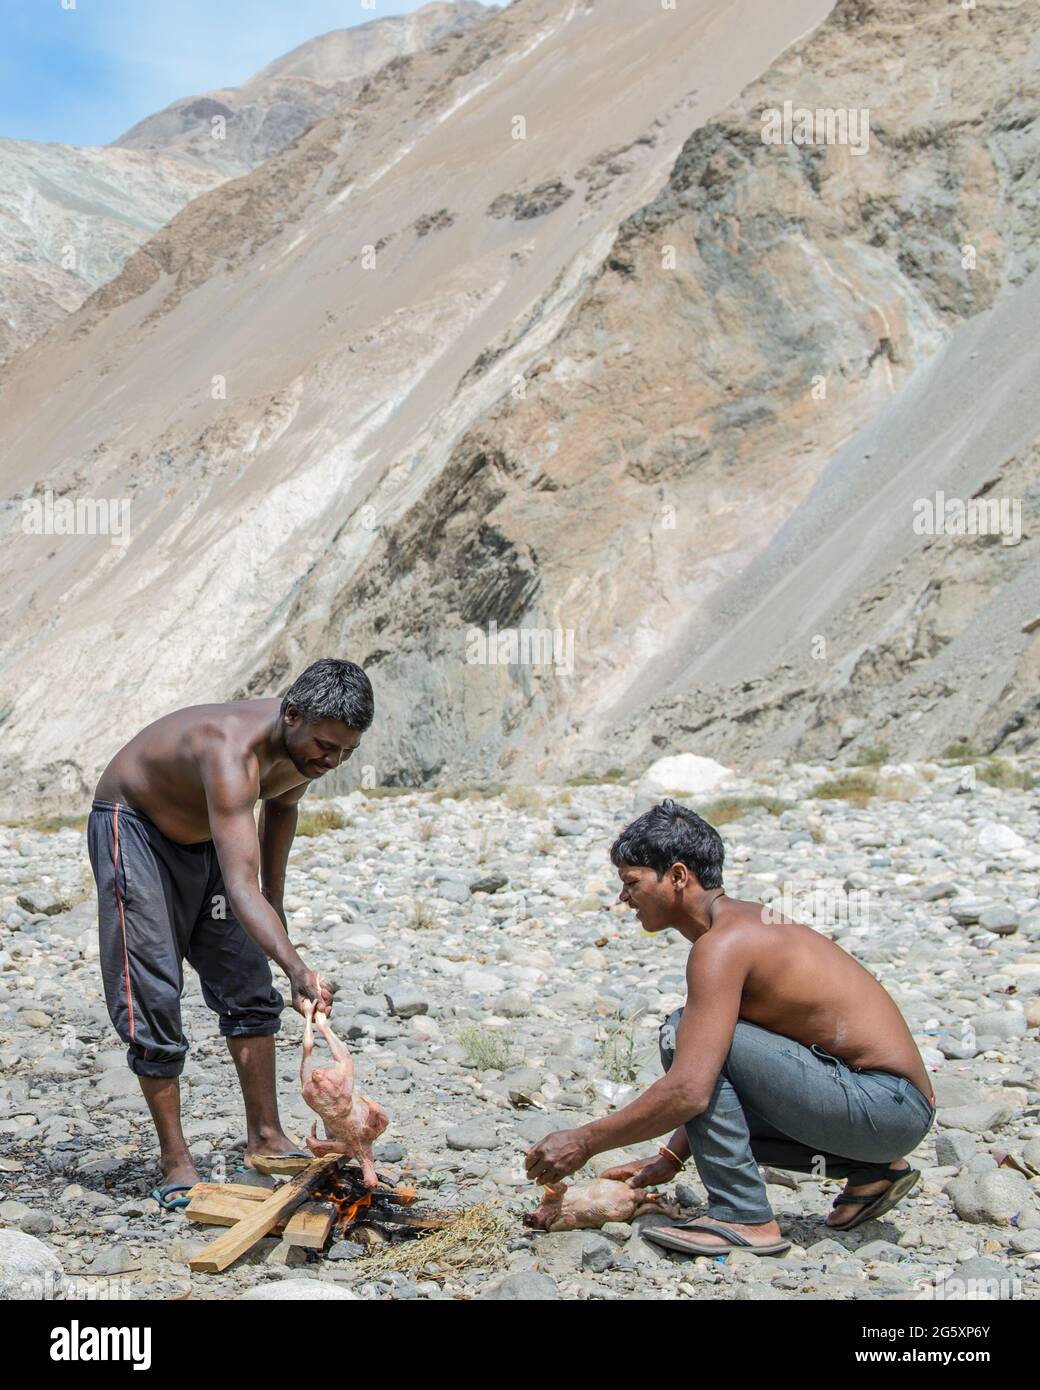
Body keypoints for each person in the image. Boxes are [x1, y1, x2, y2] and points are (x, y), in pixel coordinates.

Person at [524, 799, 936, 1256]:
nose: (623, 898)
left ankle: (744, 1216)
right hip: (890, 1115)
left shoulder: (723, 945)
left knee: (680, 1035)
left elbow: (690, 1090)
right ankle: (872, 1173)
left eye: (631, 882)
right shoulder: (740, 925)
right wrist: (672, 1155)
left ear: (677, 877)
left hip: (884, 1105)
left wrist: (584, 1141)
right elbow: (721, 1074)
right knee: (695, 1044)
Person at [87, 657, 373, 1209]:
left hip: (215, 837)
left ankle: (265, 1135)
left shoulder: (305, 751)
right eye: (325, 746)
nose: (332, 761)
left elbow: (281, 814)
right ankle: (175, 1158)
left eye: (346, 752)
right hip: (137, 829)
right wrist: (296, 966)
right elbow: (242, 885)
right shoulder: (231, 749)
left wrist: (279, 920)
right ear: (291, 715)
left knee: (248, 983)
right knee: (153, 992)